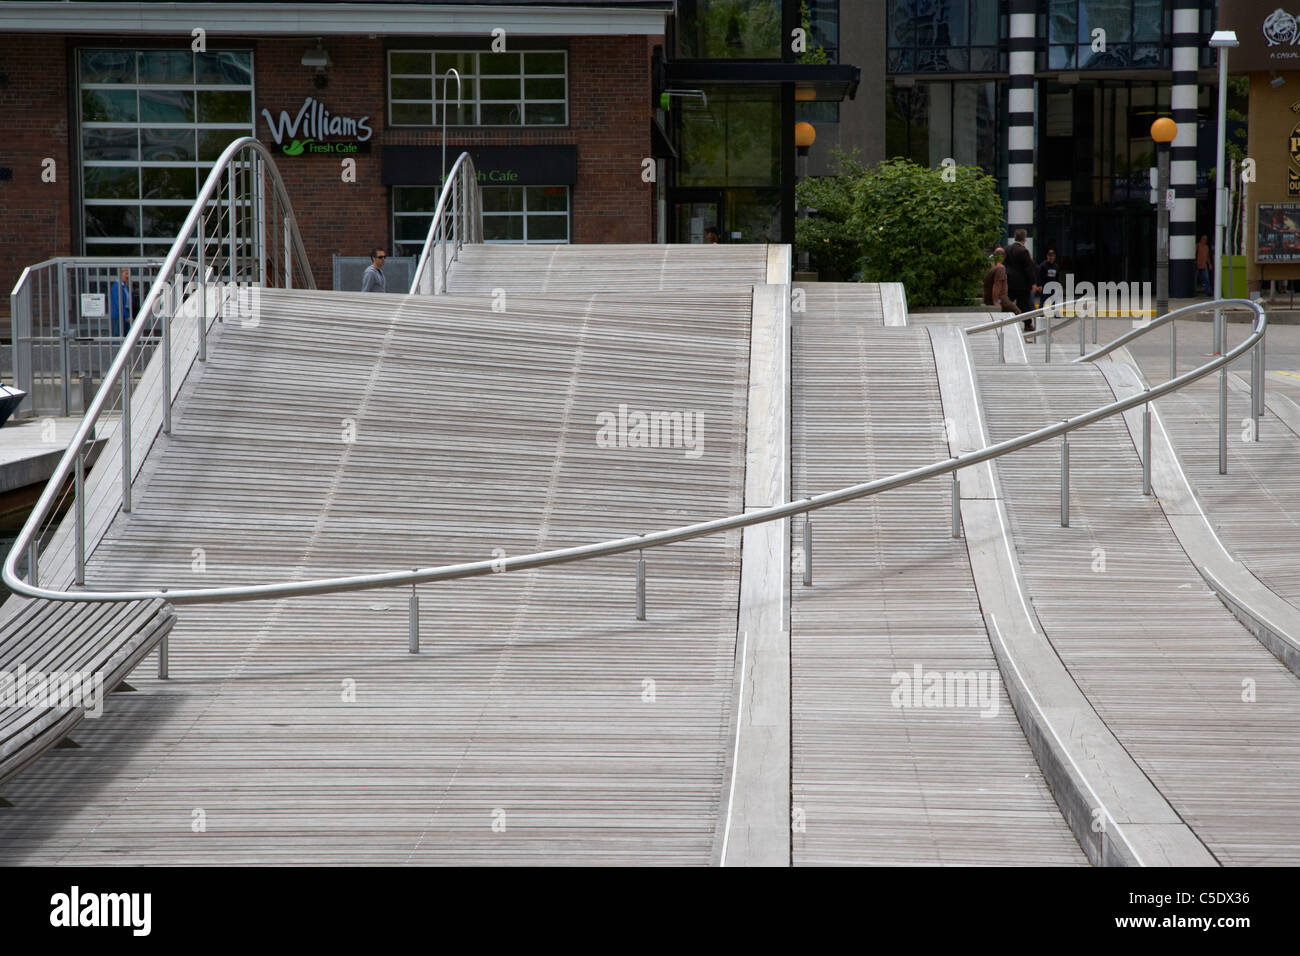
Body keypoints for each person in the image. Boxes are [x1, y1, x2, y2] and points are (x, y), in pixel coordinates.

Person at [1003, 228, 1037, 331]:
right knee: (1024, 304)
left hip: (1009, 281)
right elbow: (1028, 268)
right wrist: (1033, 283)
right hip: (1022, 283)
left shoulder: (1007, 249)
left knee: (1008, 301)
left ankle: (1003, 320)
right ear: (1024, 239)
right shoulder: (1023, 251)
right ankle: (1027, 324)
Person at [982, 248, 1019, 315]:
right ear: (1002, 257)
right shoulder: (1000, 268)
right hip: (1001, 298)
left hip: (987, 298)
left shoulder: (989, 266)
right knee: (1017, 312)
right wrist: (996, 301)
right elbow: (997, 285)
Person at [108, 266, 133, 338]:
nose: (128, 276)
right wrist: (127, 316)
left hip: (124, 313)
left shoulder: (125, 286)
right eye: (126, 273)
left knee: (126, 336)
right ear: (120, 274)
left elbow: (128, 301)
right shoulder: (117, 286)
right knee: (118, 337)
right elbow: (119, 303)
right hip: (118, 315)